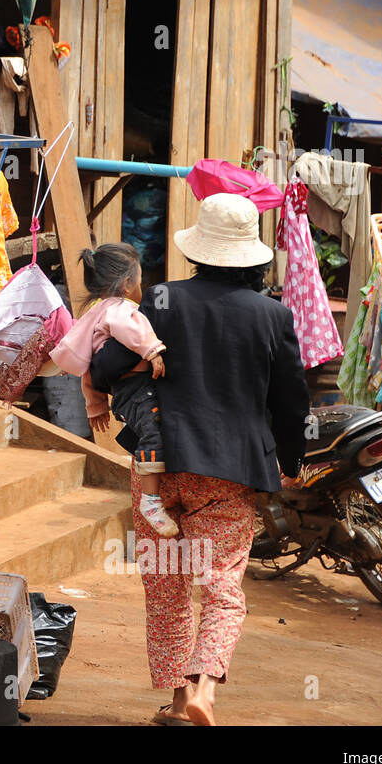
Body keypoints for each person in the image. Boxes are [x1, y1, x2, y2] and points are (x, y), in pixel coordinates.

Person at [89, 193, 309, 726]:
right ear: (252, 258)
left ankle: (176, 698)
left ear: (198, 251)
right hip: (230, 472)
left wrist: (118, 384)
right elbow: (291, 399)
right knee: (222, 585)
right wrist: (292, 460)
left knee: (166, 584)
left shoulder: (161, 299)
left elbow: (108, 363)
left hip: (157, 466)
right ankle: (205, 689)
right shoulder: (273, 315)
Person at [50, 243, 177, 537]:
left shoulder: (97, 313)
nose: (142, 285)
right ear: (127, 283)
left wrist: (95, 406)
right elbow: (131, 332)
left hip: (126, 392)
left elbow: (88, 368)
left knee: (150, 431)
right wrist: (152, 350)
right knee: (154, 432)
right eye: (140, 278)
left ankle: (153, 493)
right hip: (137, 391)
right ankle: (152, 501)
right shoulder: (119, 311)